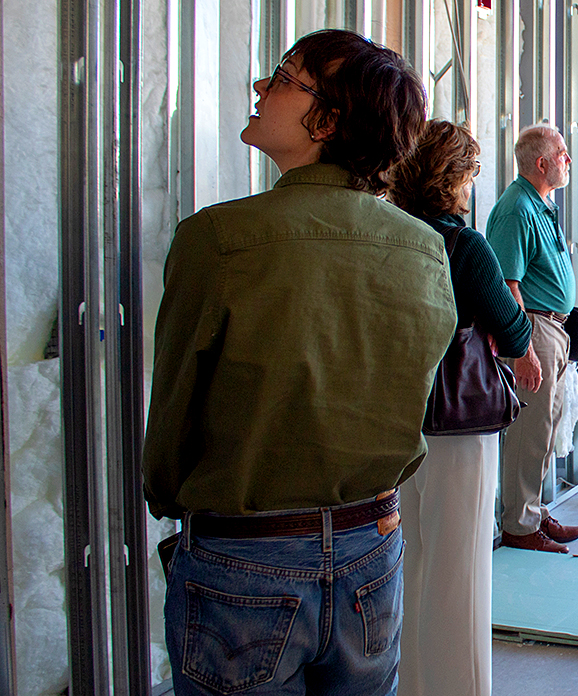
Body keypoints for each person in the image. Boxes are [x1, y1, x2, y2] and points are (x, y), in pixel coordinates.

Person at [142, 30, 455, 695]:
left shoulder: (218, 238)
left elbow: (172, 411)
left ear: (329, 119)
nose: (261, 87)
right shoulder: (423, 249)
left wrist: (174, 501)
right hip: (371, 546)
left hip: (243, 556)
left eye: (284, 78)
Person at [389, 120, 533, 696]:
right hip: (458, 419)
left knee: (415, 564)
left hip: (398, 419)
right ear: (454, 179)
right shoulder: (463, 243)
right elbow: (513, 327)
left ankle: (417, 685)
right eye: (471, 174)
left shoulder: (389, 232)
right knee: (462, 573)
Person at [486, 123, 578, 554]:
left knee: (546, 429)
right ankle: (519, 525)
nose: (568, 159)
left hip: (555, 329)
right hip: (535, 330)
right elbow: (507, 285)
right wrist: (522, 349)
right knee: (531, 431)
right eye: (562, 153)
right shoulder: (517, 210)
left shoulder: (541, 205)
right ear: (541, 162)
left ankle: (534, 513)